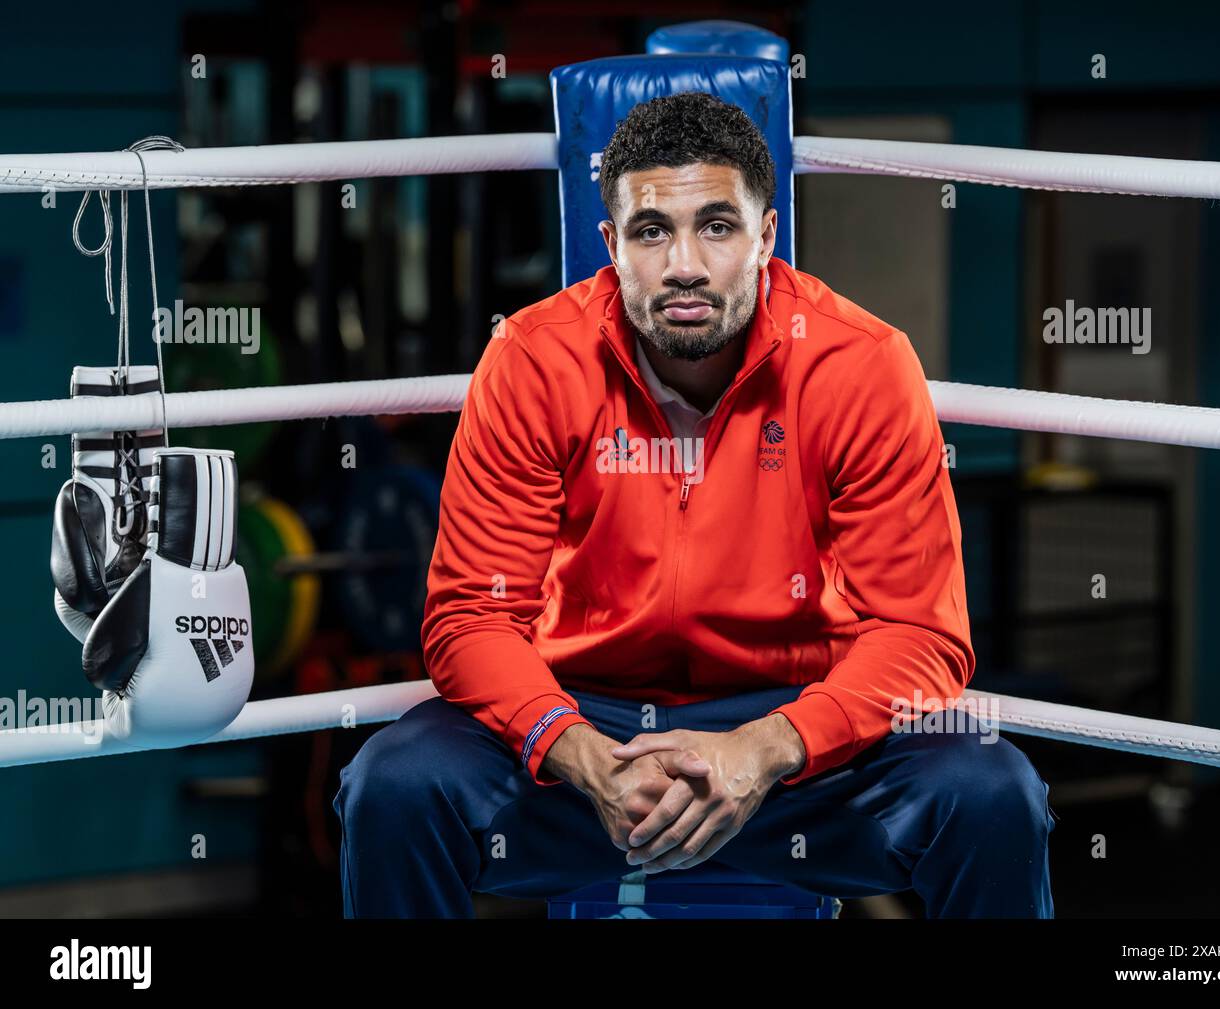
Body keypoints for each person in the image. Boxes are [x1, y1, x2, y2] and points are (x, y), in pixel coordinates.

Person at [334, 91, 1056, 918]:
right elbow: (469, 616)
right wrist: (583, 755)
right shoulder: (533, 360)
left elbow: (921, 633)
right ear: (610, 245)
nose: (684, 264)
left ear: (766, 238)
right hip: (586, 730)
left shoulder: (861, 366)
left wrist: (768, 747)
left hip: (796, 743)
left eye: (717, 226)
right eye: (652, 231)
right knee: (391, 787)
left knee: (992, 791)